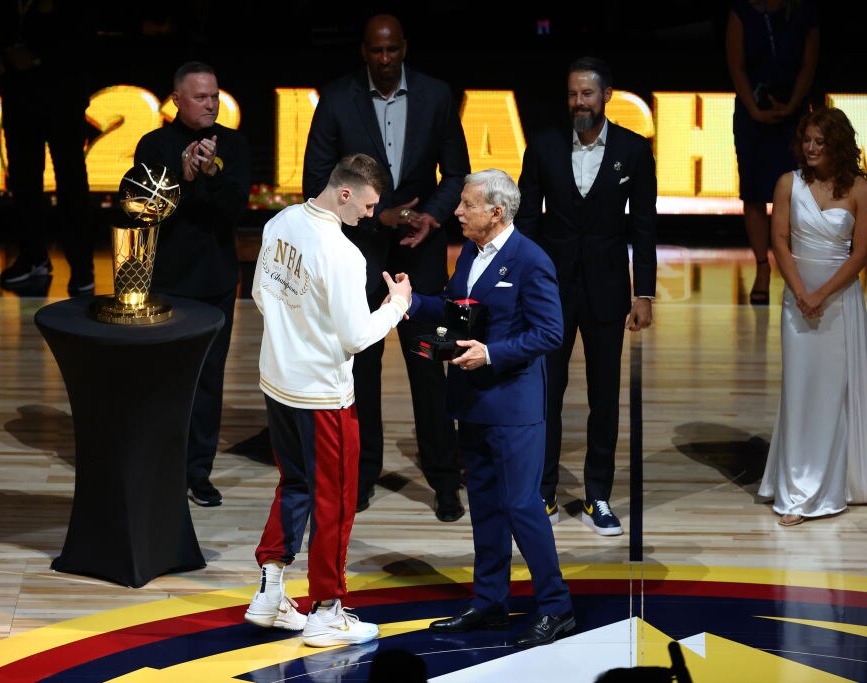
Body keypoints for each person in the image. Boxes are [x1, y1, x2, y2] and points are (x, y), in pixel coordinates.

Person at [303, 13, 470, 521]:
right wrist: (378, 216)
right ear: (363, 52)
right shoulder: (335, 98)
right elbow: (316, 179)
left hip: (422, 257)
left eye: (392, 50)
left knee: (432, 370)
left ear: (404, 49)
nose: (383, 60)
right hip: (361, 257)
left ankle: (444, 481)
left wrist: (432, 217)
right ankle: (362, 477)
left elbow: (456, 171)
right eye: (375, 51)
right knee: (363, 372)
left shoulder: (437, 95)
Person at [244, 153, 412, 647]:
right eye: (368, 204)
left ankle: (271, 594)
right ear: (344, 194)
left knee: (294, 484)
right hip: (322, 396)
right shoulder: (343, 254)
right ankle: (327, 611)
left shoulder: (280, 221)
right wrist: (396, 307)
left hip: (276, 383)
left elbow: (260, 292)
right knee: (334, 503)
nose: (370, 214)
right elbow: (358, 337)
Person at [418, 169, 573, 649]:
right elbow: (455, 309)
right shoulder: (470, 251)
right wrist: (409, 301)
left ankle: (556, 607)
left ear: (496, 212)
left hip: (514, 405)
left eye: (466, 205)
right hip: (473, 402)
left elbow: (551, 333)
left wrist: (490, 353)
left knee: (522, 506)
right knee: (484, 505)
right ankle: (490, 602)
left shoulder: (530, 260)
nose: (457, 212)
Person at [517, 56, 657, 537]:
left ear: (606, 96)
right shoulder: (543, 146)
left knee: (604, 397)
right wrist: (520, 286)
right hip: (550, 293)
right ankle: (544, 491)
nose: (579, 102)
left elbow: (643, 226)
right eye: (573, 94)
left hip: (607, 290)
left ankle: (598, 495)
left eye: (587, 94)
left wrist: (645, 294)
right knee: (544, 396)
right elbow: (527, 222)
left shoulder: (634, 151)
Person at [134, 61, 251, 507]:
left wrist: (212, 176)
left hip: (216, 281)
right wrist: (181, 181)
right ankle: (160, 468)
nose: (210, 104)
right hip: (166, 281)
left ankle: (198, 472)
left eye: (214, 96)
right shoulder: (154, 145)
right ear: (177, 100)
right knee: (162, 380)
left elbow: (234, 210)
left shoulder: (233, 145)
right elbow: (145, 210)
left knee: (207, 381)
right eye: (200, 97)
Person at [757, 106, 867, 525]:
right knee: (801, 391)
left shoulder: (859, 188)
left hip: (840, 303)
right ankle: (799, 491)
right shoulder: (788, 184)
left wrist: (822, 293)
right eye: (807, 140)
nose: (812, 147)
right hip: (798, 303)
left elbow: (860, 253)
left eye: (820, 141)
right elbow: (779, 241)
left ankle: (841, 481)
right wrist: (802, 293)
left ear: (837, 144)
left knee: (835, 391)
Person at [0, 0, 96, 297]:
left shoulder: (72, 8)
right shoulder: (12, 6)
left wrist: (36, 59)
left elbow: (83, 47)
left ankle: (82, 266)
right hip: (20, 100)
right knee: (23, 181)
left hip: (63, 100)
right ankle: (33, 256)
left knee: (70, 182)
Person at [725, 0, 819, 305]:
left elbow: (809, 65)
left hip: (793, 112)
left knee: (796, 193)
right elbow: (736, 65)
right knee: (753, 193)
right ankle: (762, 269)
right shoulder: (742, 12)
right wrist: (753, 109)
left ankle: (793, 268)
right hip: (753, 113)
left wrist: (793, 105)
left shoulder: (804, 10)